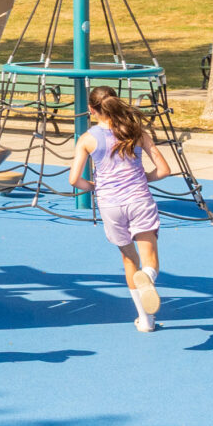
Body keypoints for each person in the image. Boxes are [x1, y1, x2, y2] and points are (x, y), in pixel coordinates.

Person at [72, 86, 164, 331]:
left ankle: (145, 321)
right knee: (149, 261)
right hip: (139, 200)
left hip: (110, 204)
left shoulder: (88, 139)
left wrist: (93, 186)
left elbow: (74, 180)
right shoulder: (137, 132)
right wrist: (145, 177)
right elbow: (164, 170)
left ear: (92, 110)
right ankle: (149, 278)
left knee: (128, 259)